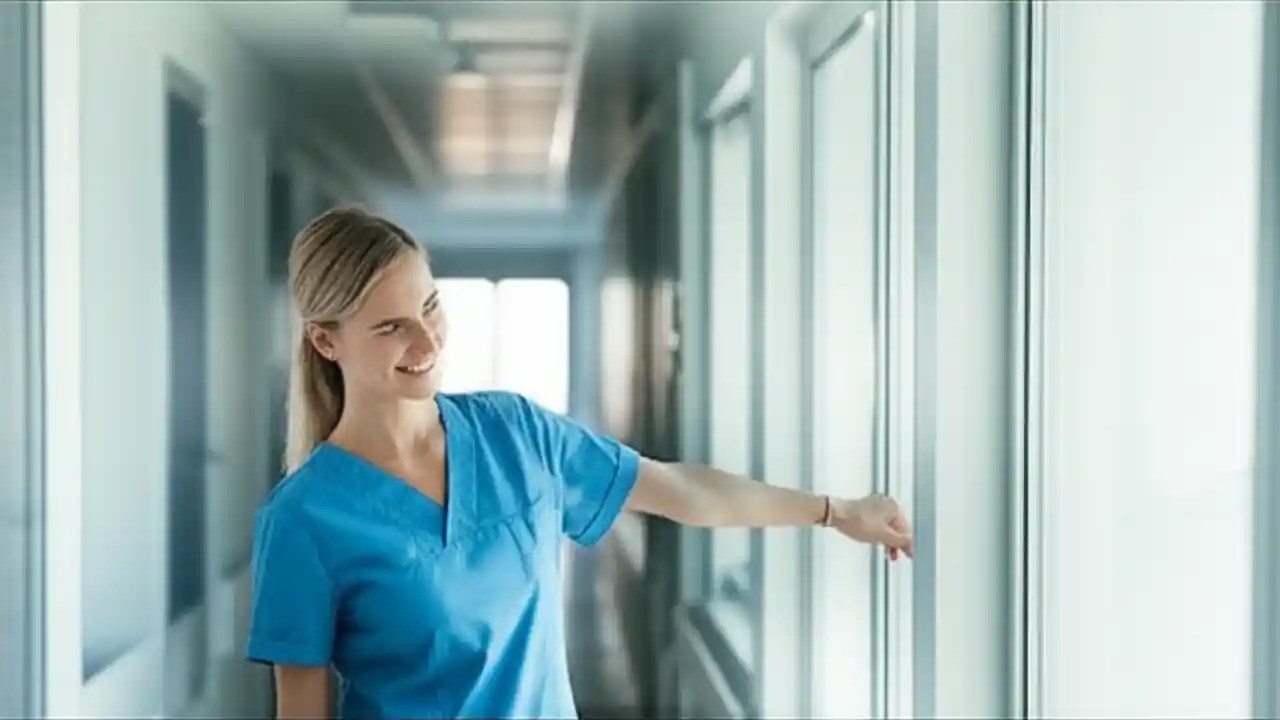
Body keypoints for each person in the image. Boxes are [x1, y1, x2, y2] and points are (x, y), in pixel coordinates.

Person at [244, 205, 914, 719]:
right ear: (326, 341)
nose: (426, 341)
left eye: (430, 306)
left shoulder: (516, 434)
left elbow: (683, 492)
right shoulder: (305, 519)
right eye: (390, 327)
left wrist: (836, 511)